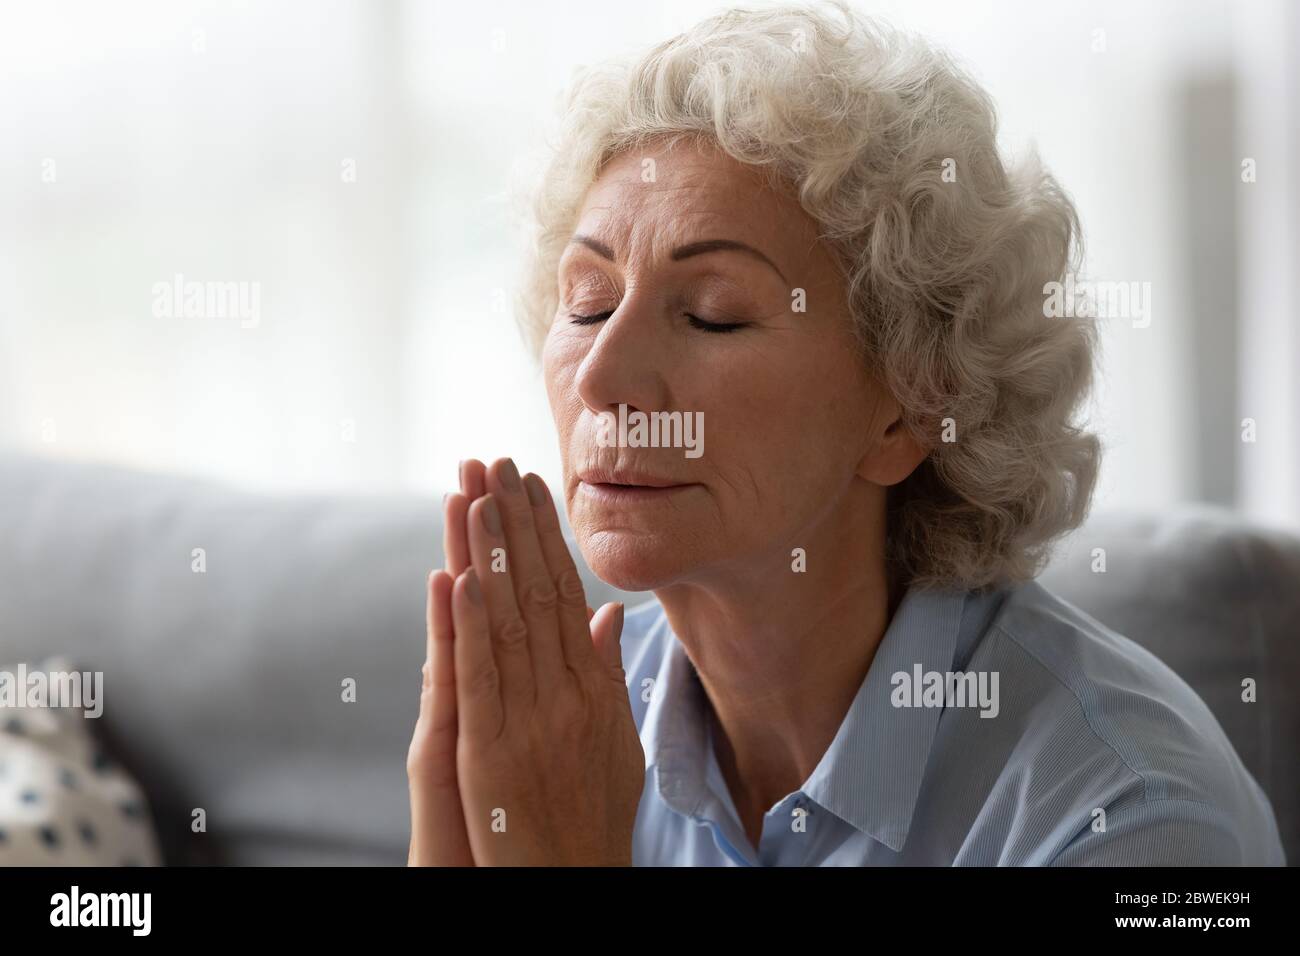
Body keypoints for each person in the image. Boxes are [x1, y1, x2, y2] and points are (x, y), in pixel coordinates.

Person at [406, 0, 1285, 866]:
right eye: (589, 303)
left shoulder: (1131, 812)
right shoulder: (557, 720)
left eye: (712, 315)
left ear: (910, 405)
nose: (600, 378)